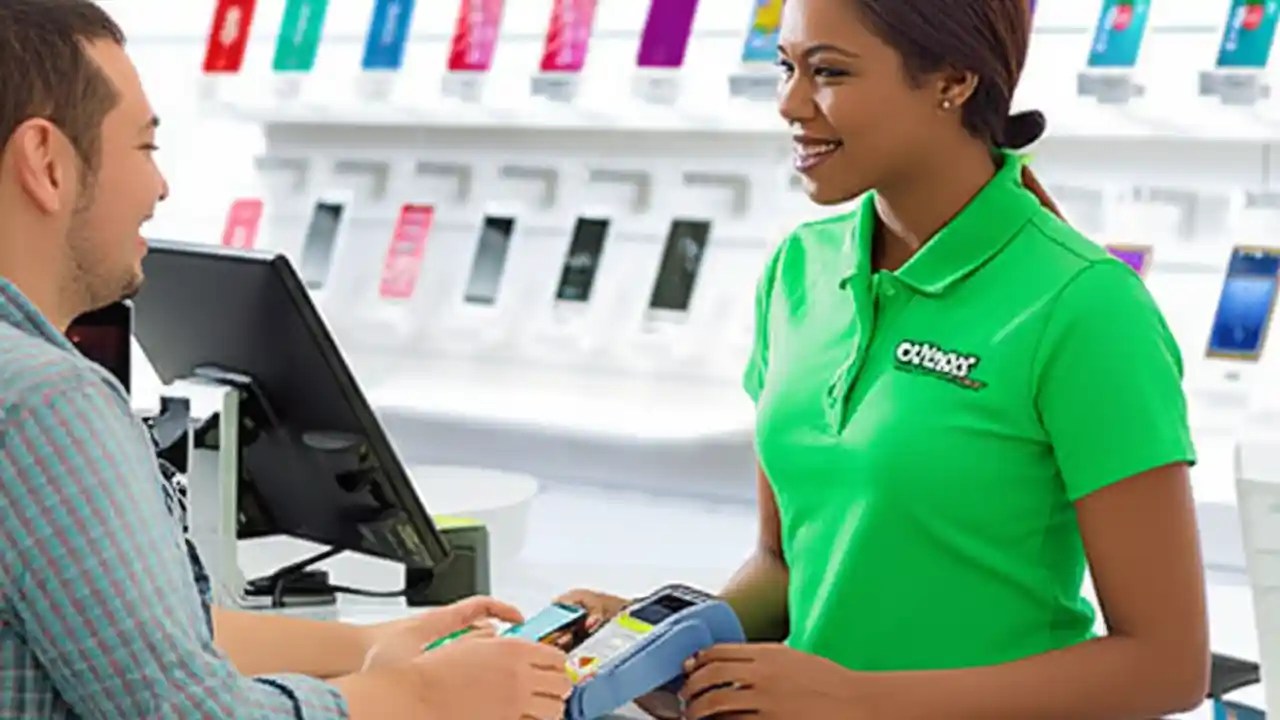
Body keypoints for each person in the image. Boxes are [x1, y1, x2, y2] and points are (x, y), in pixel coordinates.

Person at [559, 1, 1211, 718]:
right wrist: (669, 649)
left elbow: (1166, 665)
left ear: (952, 81)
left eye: (829, 72)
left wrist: (859, 701)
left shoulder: (1085, 306)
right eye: (786, 68)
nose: (790, 103)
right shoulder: (797, 270)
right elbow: (786, 567)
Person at [0, 2, 571, 718]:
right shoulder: (48, 406)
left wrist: (368, 649)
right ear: (47, 165)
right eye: (144, 149)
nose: (161, 187)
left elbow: (133, 638)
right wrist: (418, 696)